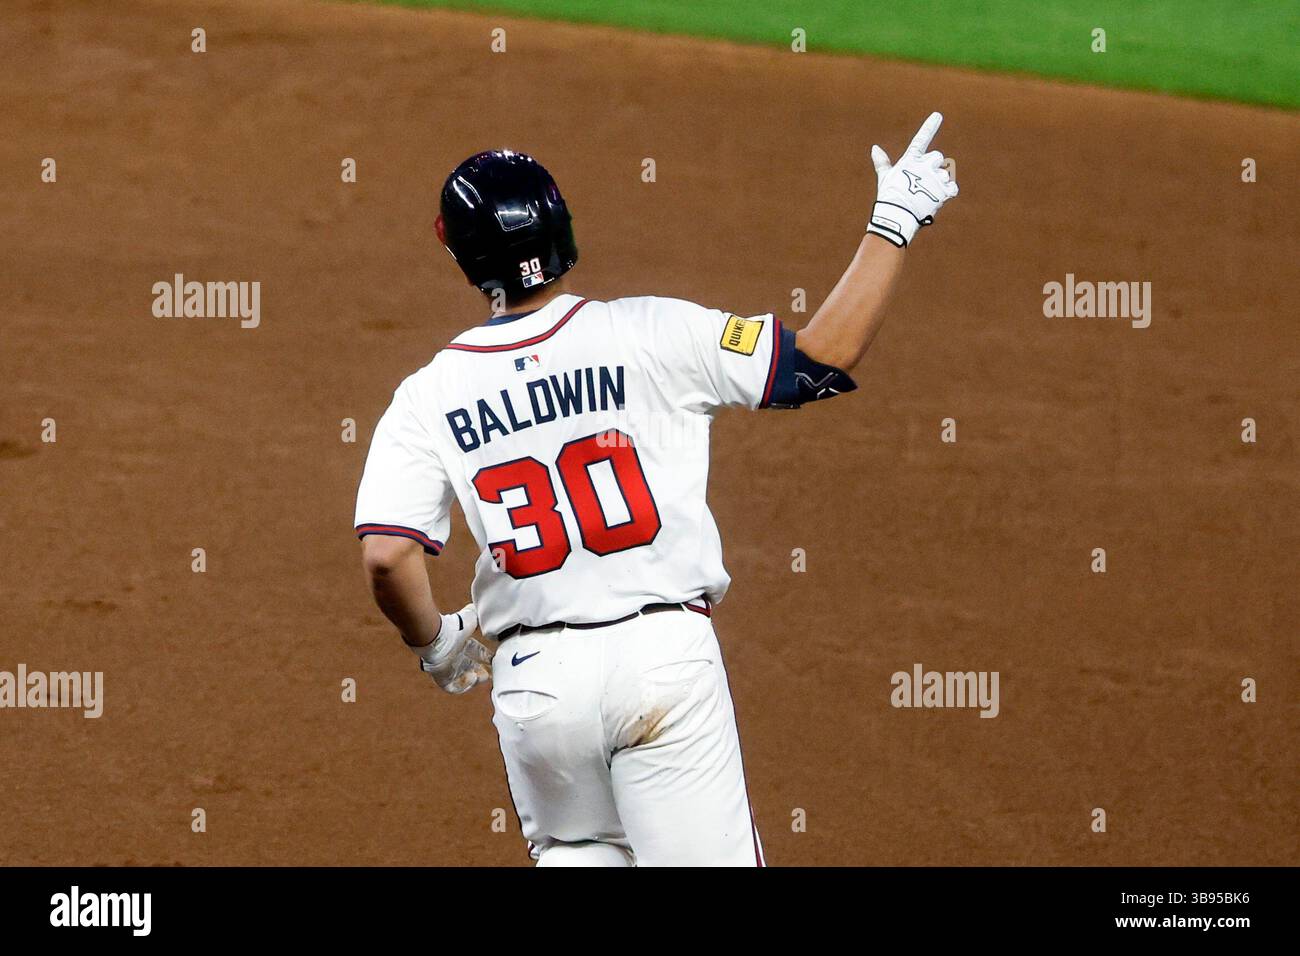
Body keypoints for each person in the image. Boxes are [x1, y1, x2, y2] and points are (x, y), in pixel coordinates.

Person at [354, 114, 958, 866]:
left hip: (537, 688)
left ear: (463, 255)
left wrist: (438, 645)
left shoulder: (425, 395)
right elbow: (819, 362)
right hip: (663, 665)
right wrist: (892, 225)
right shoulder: (658, 331)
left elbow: (387, 557)